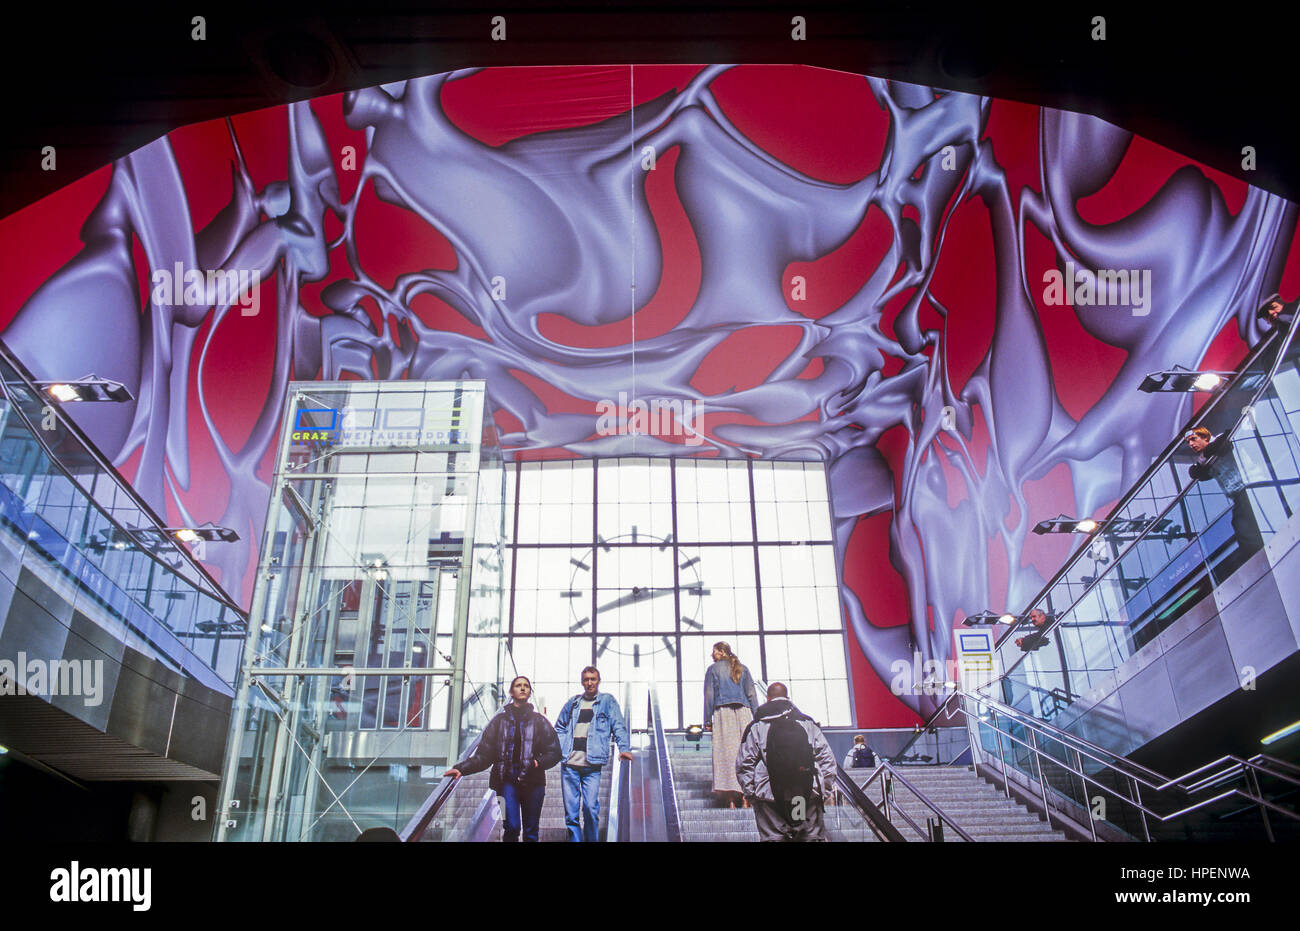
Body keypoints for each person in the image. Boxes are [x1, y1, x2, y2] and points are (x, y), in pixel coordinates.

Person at [444, 675, 561, 842]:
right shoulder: (499, 721)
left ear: (529, 692)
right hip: (505, 783)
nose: (522, 688)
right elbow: (484, 754)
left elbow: (554, 752)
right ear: (511, 692)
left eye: (526, 686)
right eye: (518, 685)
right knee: (511, 826)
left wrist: (537, 762)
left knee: (531, 831)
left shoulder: (539, 721)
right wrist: (462, 768)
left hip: (534, 783)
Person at [737, 682, 838, 842]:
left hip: (768, 795)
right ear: (788, 698)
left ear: (768, 698)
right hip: (807, 792)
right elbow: (827, 759)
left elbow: (745, 763)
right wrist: (823, 791)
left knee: (774, 838)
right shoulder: (807, 723)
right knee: (809, 838)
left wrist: (751, 795)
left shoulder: (756, 726)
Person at [554, 666, 633, 842]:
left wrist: (624, 748)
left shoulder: (607, 701)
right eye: (586, 679)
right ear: (582, 682)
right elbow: (559, 726)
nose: (589, 683)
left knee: (590, 808)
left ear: (599, 680)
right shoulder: (573, 702)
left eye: (593, 679)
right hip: (569, 764)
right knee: (571, 813)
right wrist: (561, 747)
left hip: (592, 765)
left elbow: (618, 725)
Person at [1185, 427, 1263, 551]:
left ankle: (1256, 549)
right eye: (1188, 442)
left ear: (1205, 437)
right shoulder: (1204, 460)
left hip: (1251, 485)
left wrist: (1205, 455)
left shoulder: (1222, 439)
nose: (1191, 444)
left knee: (1242, 523)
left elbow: (1221, 442)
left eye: (1193, 439)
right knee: (1240, 523)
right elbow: (1195, 473)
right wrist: (1204, 458)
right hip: (1239, 494)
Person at [703, 641, 759, 808]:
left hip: (723, 714)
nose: (712, 655)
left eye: (714, 651)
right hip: (744, 713)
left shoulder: (713, 670)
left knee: (726, 756)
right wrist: (757, 717)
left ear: (721, 652)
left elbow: (709, 696)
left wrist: (707, 720)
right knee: (746, 755)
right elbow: (752, 694)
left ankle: (730, 799)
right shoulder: (743, 668)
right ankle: (746, 795)